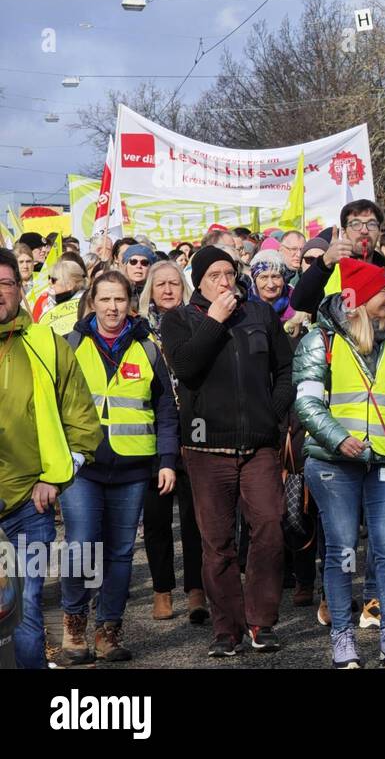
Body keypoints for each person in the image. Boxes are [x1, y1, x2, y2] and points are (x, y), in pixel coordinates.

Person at [294, 258, 385, 668]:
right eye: (383, 291)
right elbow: (306, 402)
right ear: (356, 299)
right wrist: (340, 440)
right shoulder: (320, 341)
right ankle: (343, 638)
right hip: (335, 462)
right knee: (342, 550)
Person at [160, 246, 295, 658]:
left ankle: (261, 621)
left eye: (229, 273)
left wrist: (272, 415)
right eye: (214, 275)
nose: (224, 281)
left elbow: (286, 369)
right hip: (205, 448)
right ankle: (227, 629)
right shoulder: (178, 319)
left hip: (258, 447)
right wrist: (214, 320)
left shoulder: (259, 315)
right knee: (217, 544)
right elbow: (185, 367)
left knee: (269, 527)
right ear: (198, 281)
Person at [59, 270, 178, 664]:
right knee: (80, 546)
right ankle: (74, 626)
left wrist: (166, 460)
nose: (113, 307)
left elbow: (165, 409)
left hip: (132, 468)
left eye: (120, 300)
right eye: (105, 299)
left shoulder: (148, 348)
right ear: (92, 302)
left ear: (131, 303)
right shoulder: (71, 344)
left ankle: (108, 630)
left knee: (121, 552)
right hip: (82, 467)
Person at [0, 248, 101, 669]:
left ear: (20, 290)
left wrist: (55, 478)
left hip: (28, 501)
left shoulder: (45, 342)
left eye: (5, 284)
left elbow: (82, 421)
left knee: (22, 610)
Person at [138, 261, 207, 624]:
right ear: (150, 289)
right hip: (152, 431)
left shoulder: (196, 321)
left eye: (174, 283)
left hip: (193, 428)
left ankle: (196, 589)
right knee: (157, 518)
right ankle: (161, 590)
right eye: (160, 284)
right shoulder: (139, 332)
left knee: (196, 516)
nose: (167, 290)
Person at [290, 200, 385, 341]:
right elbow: (300, 302)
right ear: (344, 233)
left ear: (379, 232)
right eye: (355, 224)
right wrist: (325, 260)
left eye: (371, 224)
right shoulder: (329, 273)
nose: (364, 231)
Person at [249, 249, 308, 337]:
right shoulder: (243, 307)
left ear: (283, 279)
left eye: (275, 277)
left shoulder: (299, 306)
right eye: (264, 277)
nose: (270, 285)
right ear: (255, 280)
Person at [31, 258, 86, 335]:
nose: (49, 282)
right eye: (49, 278)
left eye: (53, 280)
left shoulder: (85, 304)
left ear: (69, 284)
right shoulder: (49, 303)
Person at [120, 244, 155, 313]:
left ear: (151, 267)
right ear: (125, 266)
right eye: (133, 262)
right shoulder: (116, 290)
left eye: (144, 263)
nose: (139, 266)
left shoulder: (156, 293)